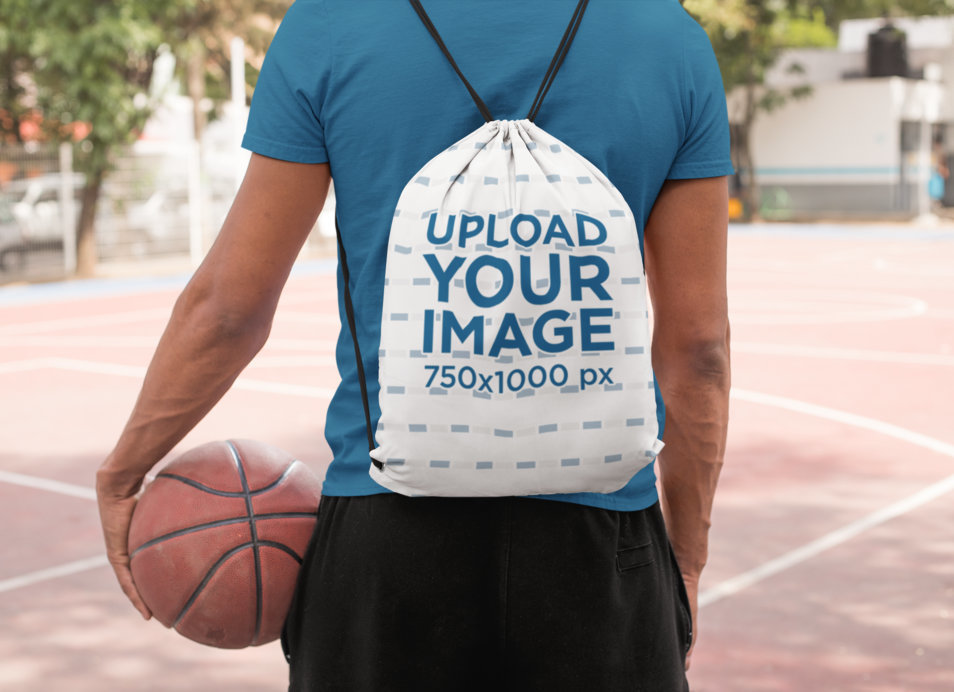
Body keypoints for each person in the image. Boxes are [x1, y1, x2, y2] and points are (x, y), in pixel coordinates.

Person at [96, 1, 732, 689]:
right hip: (602, 547)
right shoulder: (667, 39)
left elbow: (230, 309)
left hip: (387, 545)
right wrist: (685, 560)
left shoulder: (334, 25)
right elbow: (697, 349)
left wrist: (124, 470)